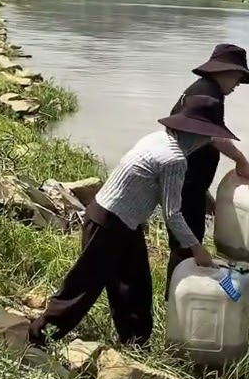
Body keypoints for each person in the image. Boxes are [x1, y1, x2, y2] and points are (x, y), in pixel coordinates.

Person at [28, 94, 232, 348]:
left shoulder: (156, 139)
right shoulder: (175, 159)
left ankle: (136, 343)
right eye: (207, 135)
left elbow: (160, 191)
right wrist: (196, 247)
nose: (207, 142)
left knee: (135, 286)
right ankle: (40, 334)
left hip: (123, 222)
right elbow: (172, 213)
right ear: (196, 134)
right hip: (108, 223)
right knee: (84, 285)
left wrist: (205, 199)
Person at [164, 43, 249, 291]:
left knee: (185, 246)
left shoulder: (200, 91)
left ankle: (178, 297)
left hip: (190, 184)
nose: (237, 84)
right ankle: (176, 300)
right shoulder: (208, 96)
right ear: (224, 71)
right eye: (237, 77)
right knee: (186, 248)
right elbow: (213, 137)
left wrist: (203, 192)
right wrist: (241, 160)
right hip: (184, 186)